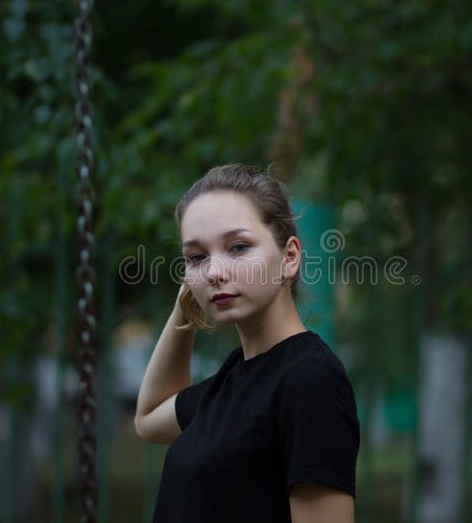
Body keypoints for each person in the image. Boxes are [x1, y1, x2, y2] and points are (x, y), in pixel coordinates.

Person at [135, 164, 360, 523]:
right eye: (196, 257)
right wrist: (185, 304)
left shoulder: (309, 380)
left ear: (289, 258)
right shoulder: (234, 377)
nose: (214, 272)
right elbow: (149, 419)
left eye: (238, 247)